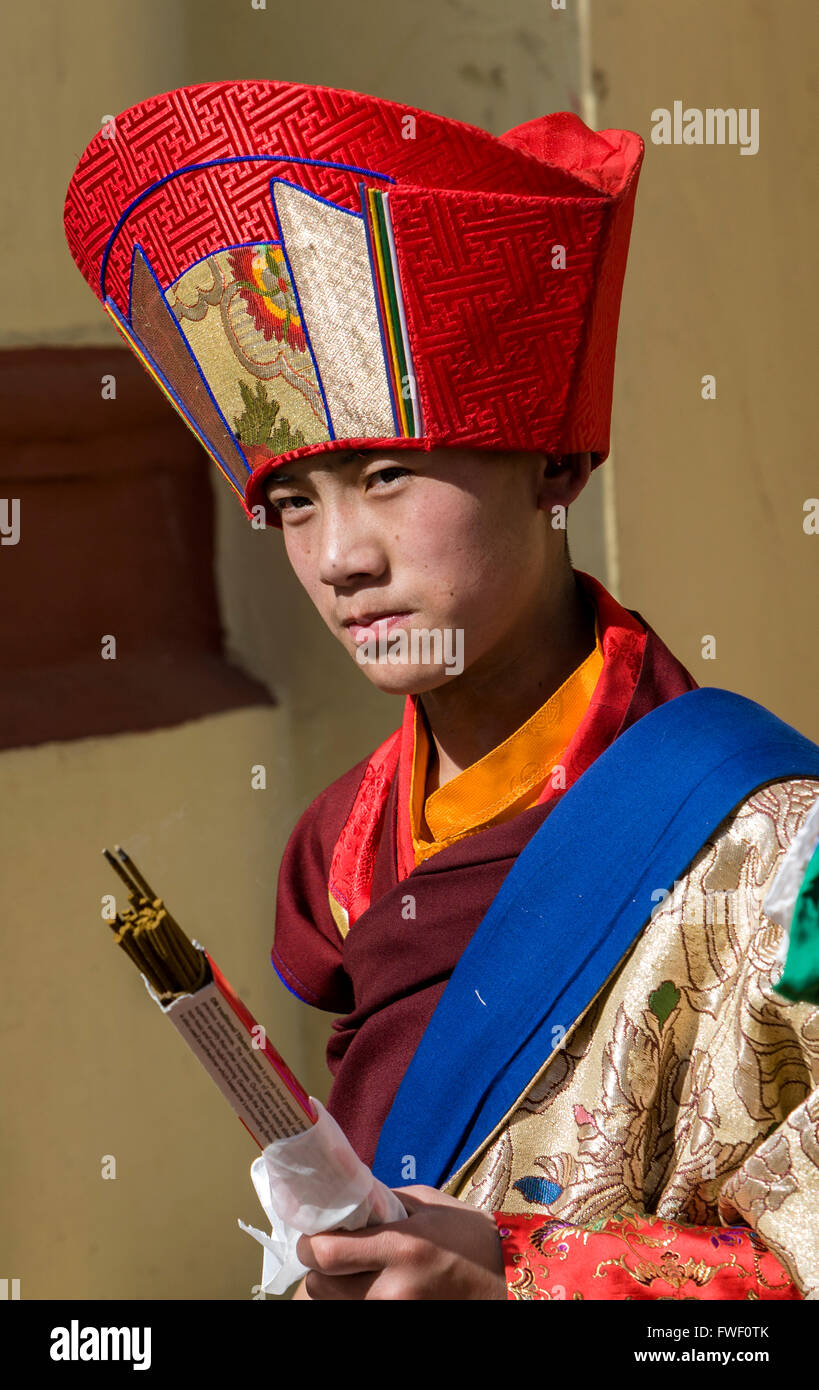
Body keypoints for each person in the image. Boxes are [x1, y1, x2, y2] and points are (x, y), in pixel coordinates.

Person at [65, 79, 819, 1301]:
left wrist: (517, 1278)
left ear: (553, 468)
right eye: (293, 504)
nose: (340, 557)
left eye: (388, 474)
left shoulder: (774, 845)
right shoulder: (345, 848)